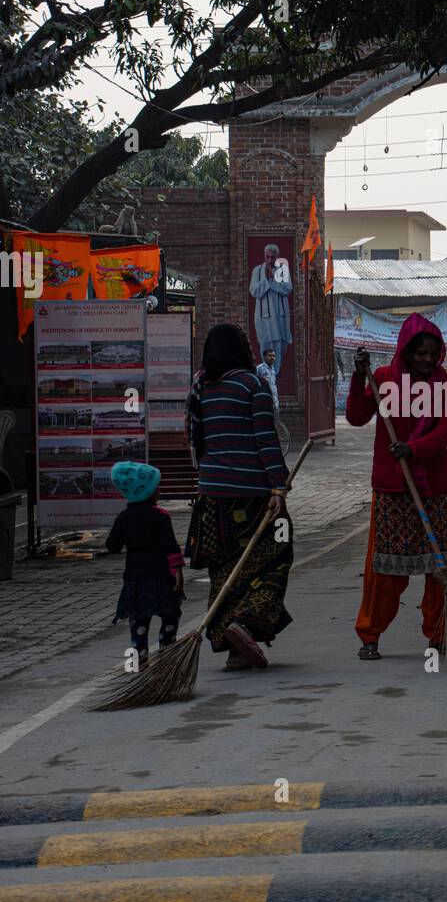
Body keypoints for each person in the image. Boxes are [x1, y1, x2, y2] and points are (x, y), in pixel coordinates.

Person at [347, 313, 447, 660]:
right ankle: (370, 634)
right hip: (393, 490)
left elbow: (446, 432)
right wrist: (356, 377)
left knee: (441, 566)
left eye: (432, 353)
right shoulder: (382, 379)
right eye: (419, 353)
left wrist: (413, 449)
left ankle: (439, 633)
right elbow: (355, 417)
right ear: (405, 352)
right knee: (384, 568)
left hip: (436, 489)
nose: (426, 360)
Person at [185, 323, 292, 671]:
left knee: (225, 569)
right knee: (276, 556)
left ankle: (233, 650)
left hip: (212, 498)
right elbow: (265, 440)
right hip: (253, 495)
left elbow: (195, 442)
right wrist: (279, 486)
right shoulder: (252, 385)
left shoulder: (201, 386)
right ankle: (244, 624)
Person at [106, 461, 185, 668]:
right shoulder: (160, 516)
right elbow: (171, 546)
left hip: (135, 581)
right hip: (161, 579)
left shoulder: (123, 518)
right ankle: (167, 660)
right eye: (157, 487)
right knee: (169, 618)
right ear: (148, 492)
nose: (159, 491)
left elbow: (112, 546)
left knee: (138, 624)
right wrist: (179, 573)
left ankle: (137, 665)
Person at [249, 243, 293, 375]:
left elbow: (287, 288)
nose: (269, 260)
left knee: (280, 347)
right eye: (267, 257)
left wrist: (272, 279)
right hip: (263, 319)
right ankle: (267, 377)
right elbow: (254, 291)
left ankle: (274, 376)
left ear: (277, 256)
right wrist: (266, 280)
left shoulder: (282, 270)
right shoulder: (257, 271)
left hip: (280, 318)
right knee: (266, 347)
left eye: (272, 257)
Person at [256, 347, 280, 413]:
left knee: (275, 422)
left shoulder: (273, 370)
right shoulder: (259, 369)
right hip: (264, 404)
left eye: (273, 356)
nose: (272, 358)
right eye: (269, 355)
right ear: (264, 357)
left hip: (275, 403)